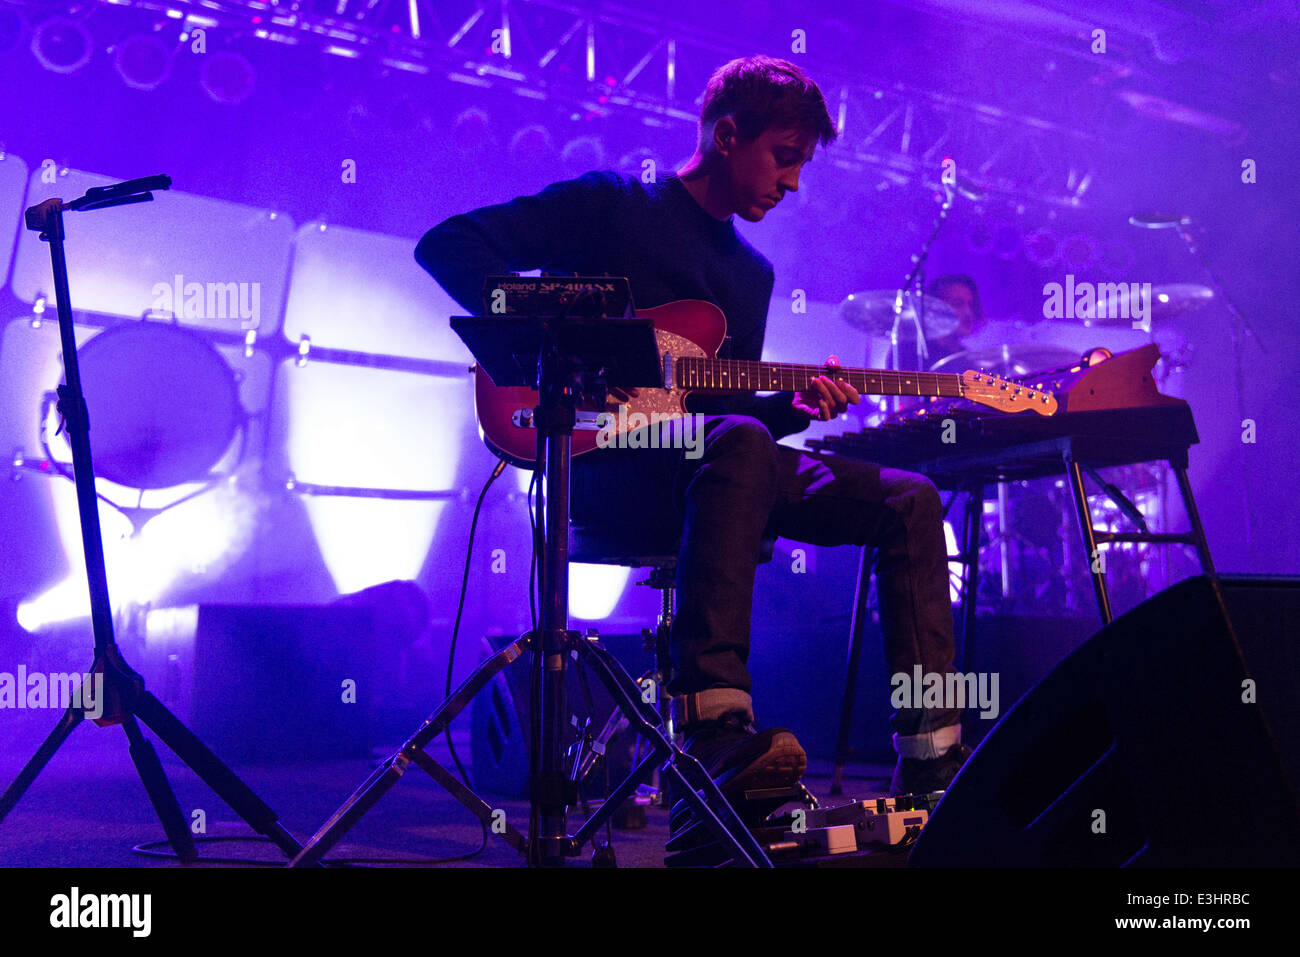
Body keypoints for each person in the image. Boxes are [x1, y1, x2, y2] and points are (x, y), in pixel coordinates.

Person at [415, 56, 970, 826]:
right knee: (738, 440)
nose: (794, 183)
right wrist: (564, 350)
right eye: (784, 157)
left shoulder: (751, 273)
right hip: (601, 466)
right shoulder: (611, 206)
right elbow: (448, 245)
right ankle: (716, 726)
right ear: (727, 134)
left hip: (706, 464)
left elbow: (723, 416)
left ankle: (935, 758)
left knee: (910, 499)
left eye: (803, 165)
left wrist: (796, 406)